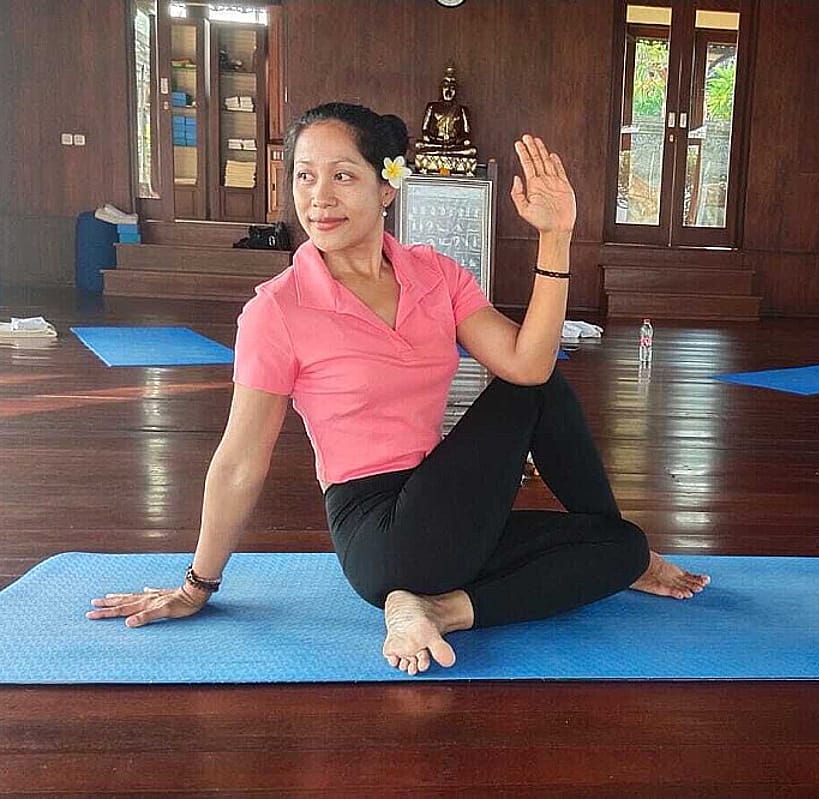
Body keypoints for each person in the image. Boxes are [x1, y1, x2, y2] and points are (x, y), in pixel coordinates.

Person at [87, 102, 709, 675]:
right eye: (304, 176)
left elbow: (527, 358)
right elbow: (240, 461)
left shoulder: (434, 274)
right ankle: (435, 594)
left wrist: (556, 236)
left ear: (388, 184)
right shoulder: (277, 310)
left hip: (449, 512)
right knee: (532, 391)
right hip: (375, 530)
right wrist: (197, 585)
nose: (319, 198)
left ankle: (444, 608)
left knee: (622, 542)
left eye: (342, 176)